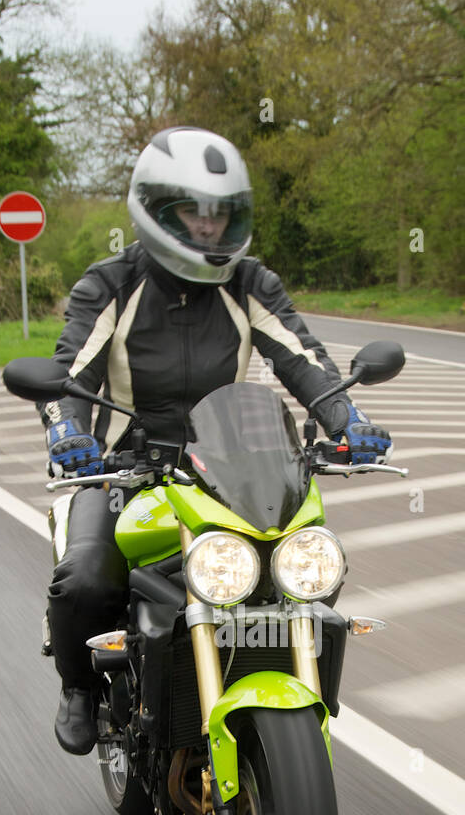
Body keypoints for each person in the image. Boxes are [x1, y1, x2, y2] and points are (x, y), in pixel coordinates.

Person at [38, 126, 393, 755]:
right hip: (123, 472)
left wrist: (348, 421)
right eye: (193, 215)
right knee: (87, 580)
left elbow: (303, 360)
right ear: (155, 211)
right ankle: (78, 687)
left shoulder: (250, 283)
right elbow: (68, 378)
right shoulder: (110, 286)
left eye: (220, 215)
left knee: (303, 568)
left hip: (222, 467)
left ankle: (278, 688)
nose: (208, 229)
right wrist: (67, 432)